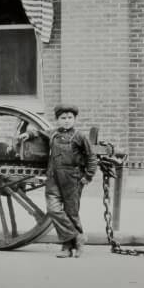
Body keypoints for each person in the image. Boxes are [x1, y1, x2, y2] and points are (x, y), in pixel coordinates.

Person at [19, 104, 98, 258]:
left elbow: (91, 157)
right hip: (53, 177)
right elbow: (39, 133)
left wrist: (88, 176)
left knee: (71, 212)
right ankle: (77, 236)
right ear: (57, 120)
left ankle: (67, 248)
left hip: (72, 178)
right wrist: (28, 135)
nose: (67, 121)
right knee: (53, 209)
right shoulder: (53, 133)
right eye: (63, 118)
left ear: (74, 119)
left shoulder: (80, 136)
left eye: (70, 118)